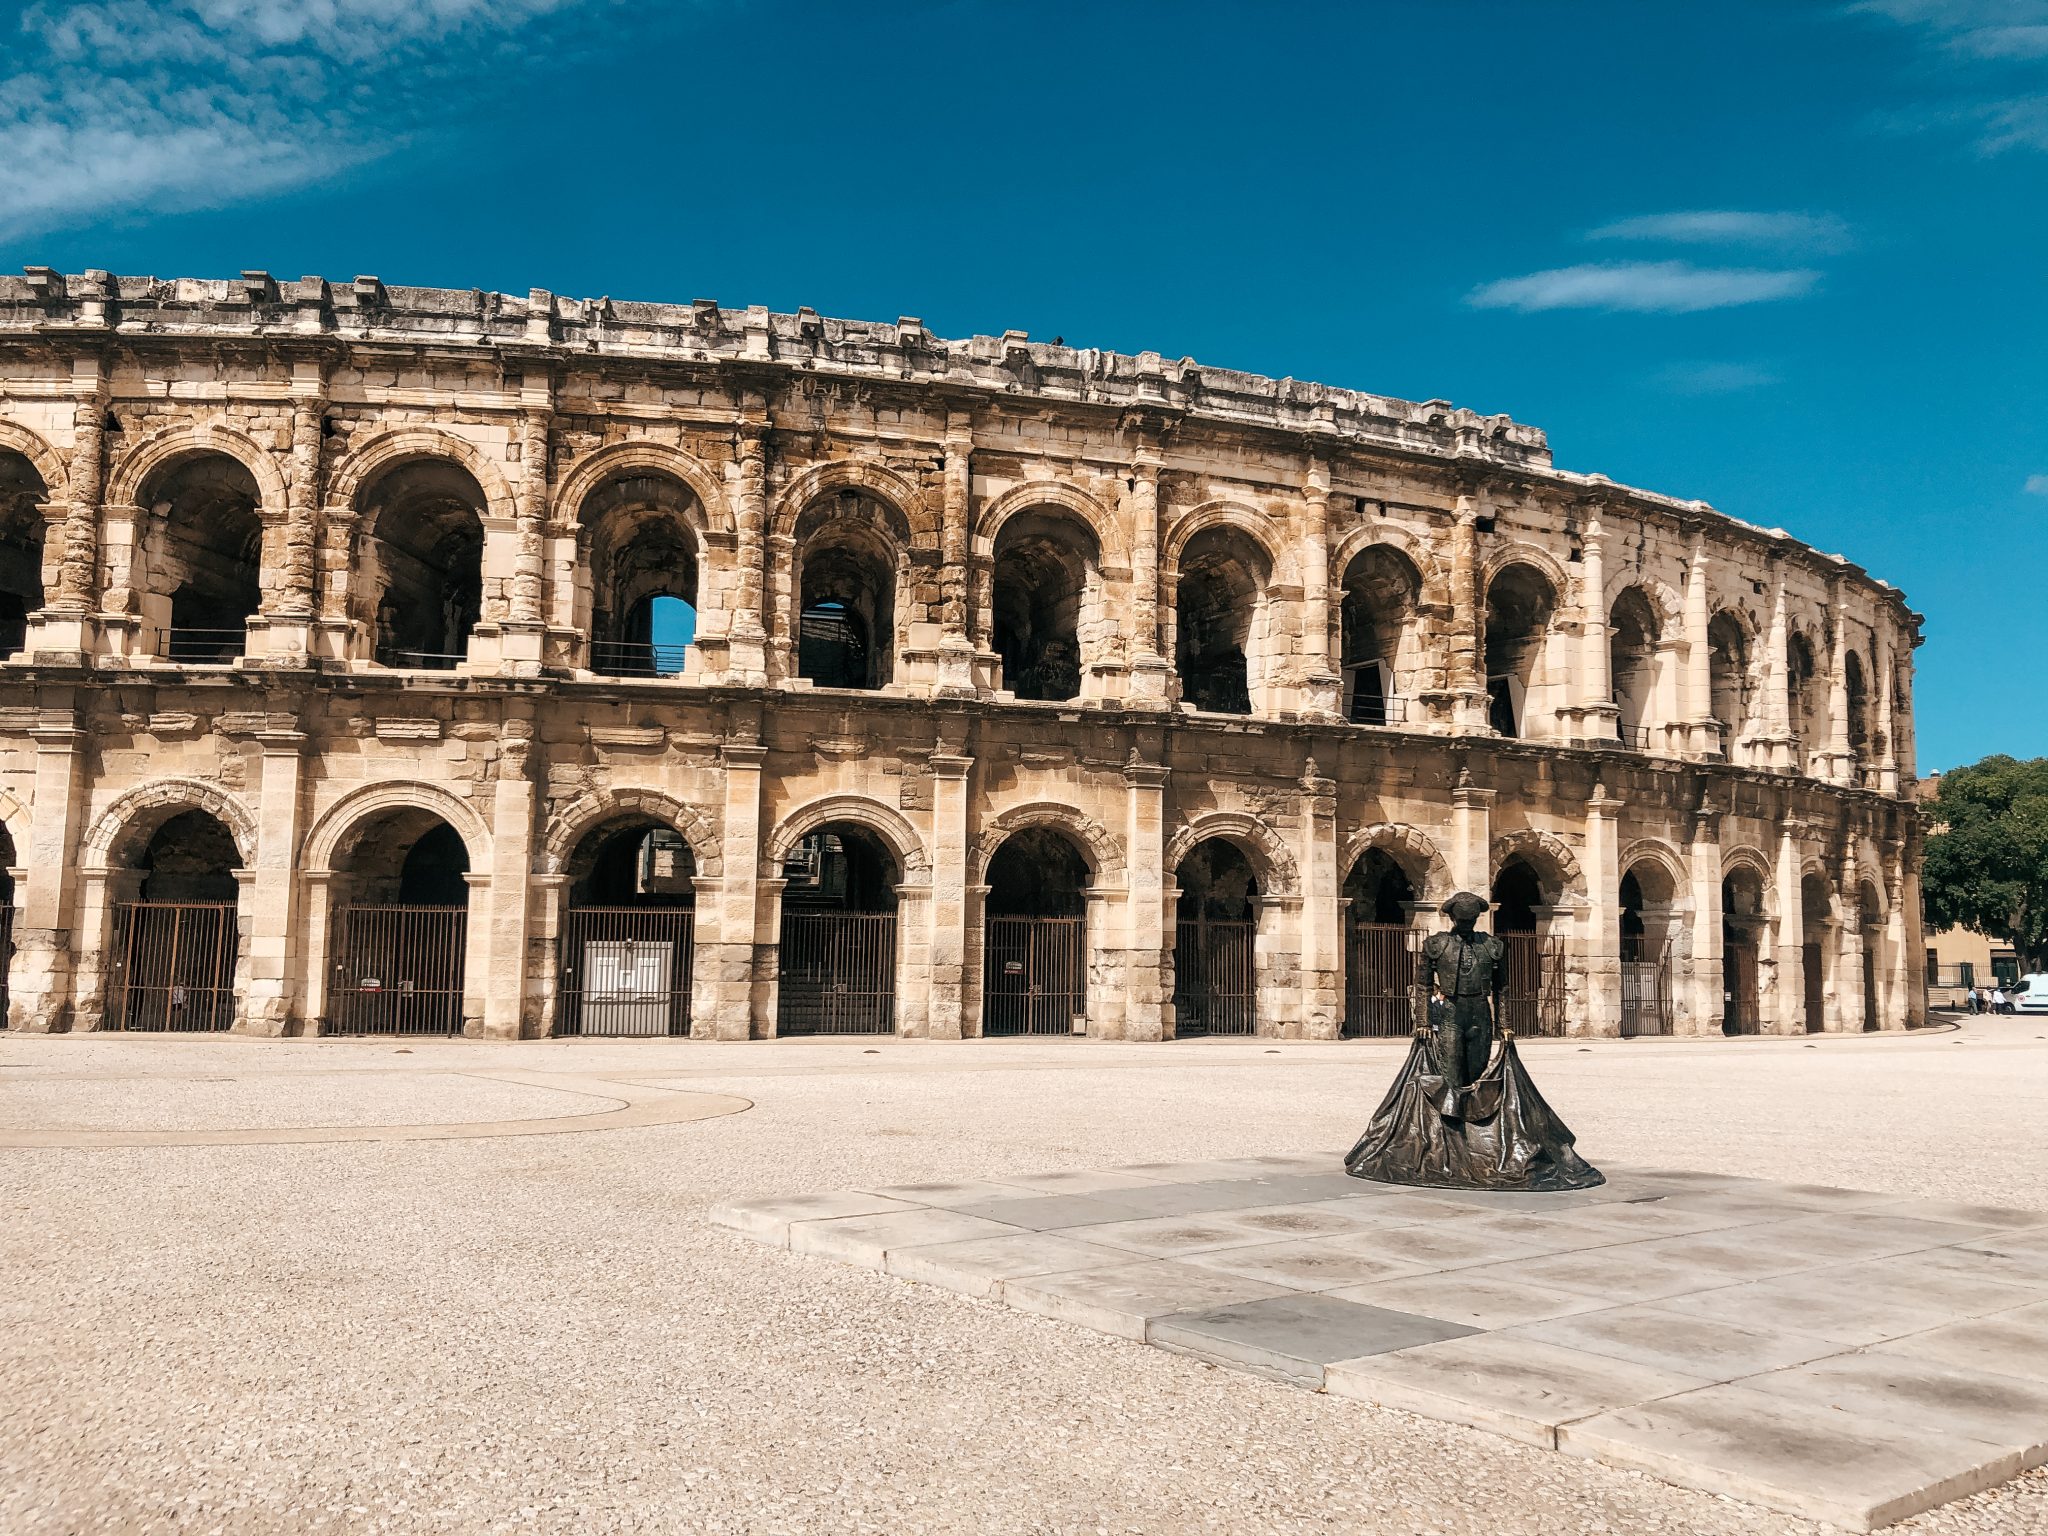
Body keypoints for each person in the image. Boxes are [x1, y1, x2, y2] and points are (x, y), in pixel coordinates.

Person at [1417, 890, 1504, 1099]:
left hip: (1480, 1011)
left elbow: (1502, 987)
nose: (1467, 924)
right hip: (1451, 1012)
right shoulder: (1436, 944)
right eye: (1463, 920)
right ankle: (1452, 1121)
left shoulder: (1491, 945)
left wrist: (1505, 1025)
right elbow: (1423, 986)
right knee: (1451, 1071)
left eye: (1471, 920)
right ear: (1453, 918)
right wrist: (1424, 1022)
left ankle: (1473, 1119)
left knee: (1477, 1072)